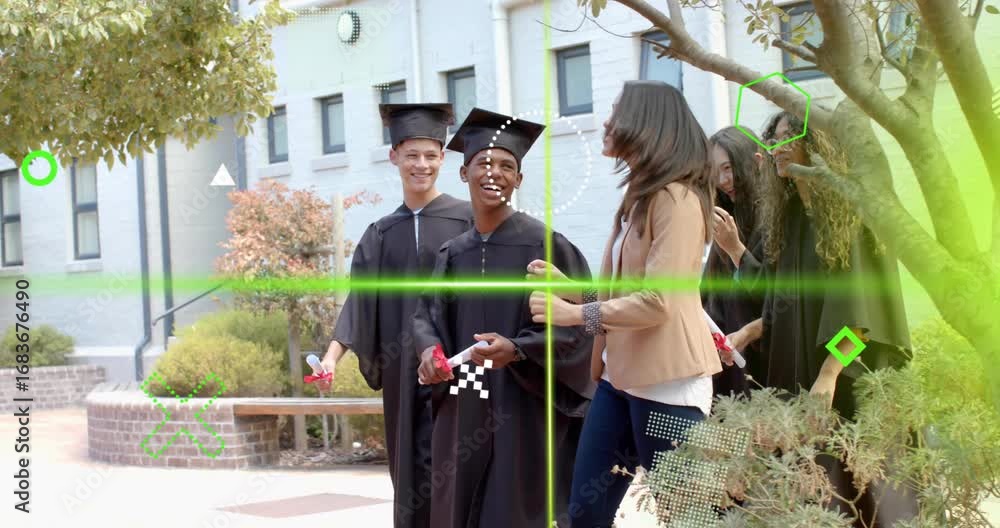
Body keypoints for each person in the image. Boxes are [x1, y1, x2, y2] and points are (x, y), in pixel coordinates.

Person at [528, 80, 722, 527]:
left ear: (645, 123)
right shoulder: (640, 197)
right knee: (585, 513)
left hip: (670, 386)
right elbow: (628, 296)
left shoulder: (678, 200)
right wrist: (574, 289)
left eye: (616, 112)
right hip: (620, 380)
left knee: (690, 518)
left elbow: (658, 302)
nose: (606, 122)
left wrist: (577, 313)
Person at [728, 111, 915, 526]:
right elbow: (790, 306)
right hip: (803, 379)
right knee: (813, 497)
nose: (778, 149)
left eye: (789, 139)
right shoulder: (791, 219)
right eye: (773, 141)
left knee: (866, 496)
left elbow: (861, 314)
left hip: (849, 380)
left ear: (818, 147)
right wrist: (748, 331)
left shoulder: (851, 213)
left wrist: (829, 375)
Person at [413, 107, 595, 528]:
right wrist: (428, 350)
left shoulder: (545, 245)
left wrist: (517, 350)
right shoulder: (452, 253)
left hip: (524, 407)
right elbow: (426, 316)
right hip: (464, 406)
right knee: (457, 505)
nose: (493, 173)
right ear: (463, 173)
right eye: (483, 163)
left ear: (519, 179)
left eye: (506, 166)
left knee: (512, 510)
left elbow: (584, 324)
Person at [317, 103, 473, 528]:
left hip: (462, 367)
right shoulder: (381, 233)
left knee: (463, 467)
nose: (420, 165)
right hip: (404, 373)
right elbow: (361, 303)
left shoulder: (470, 219)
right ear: (394, 158)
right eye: (411, 155)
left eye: (430, 155)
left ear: (443, 158)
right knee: (412, 476)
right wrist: (331, 359)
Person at [701, 126, 772, 398]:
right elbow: (708, 295)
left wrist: (736, 250)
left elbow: (778, 297)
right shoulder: (727, 222)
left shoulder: (774, 219)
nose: (724, 180)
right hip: (729, 360)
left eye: (728, 168)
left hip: (767, 361)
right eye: (715, 172)